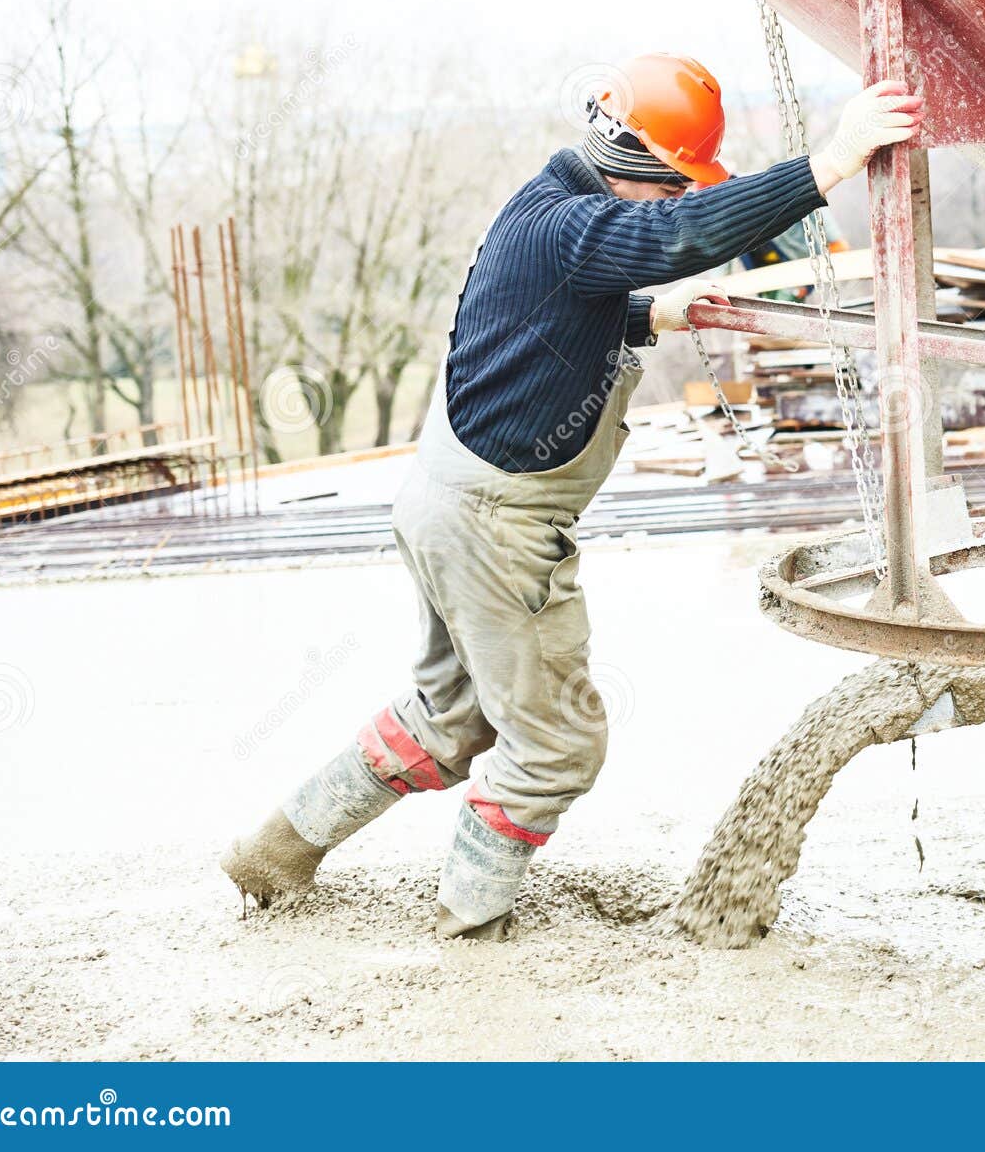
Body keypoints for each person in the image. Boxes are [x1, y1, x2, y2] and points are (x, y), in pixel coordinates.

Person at [221, 53, 924, 939]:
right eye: (673, 187)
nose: (673, 203)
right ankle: (471, 927)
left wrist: (649, 317)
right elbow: (680, 238)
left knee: (454, 718)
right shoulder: (576, 228)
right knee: (557, 745)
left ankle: (274, 852)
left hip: (446, 501)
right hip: (495, 527)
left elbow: (542, 319)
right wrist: (831, 162)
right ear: (644, 166)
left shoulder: (542, 209)